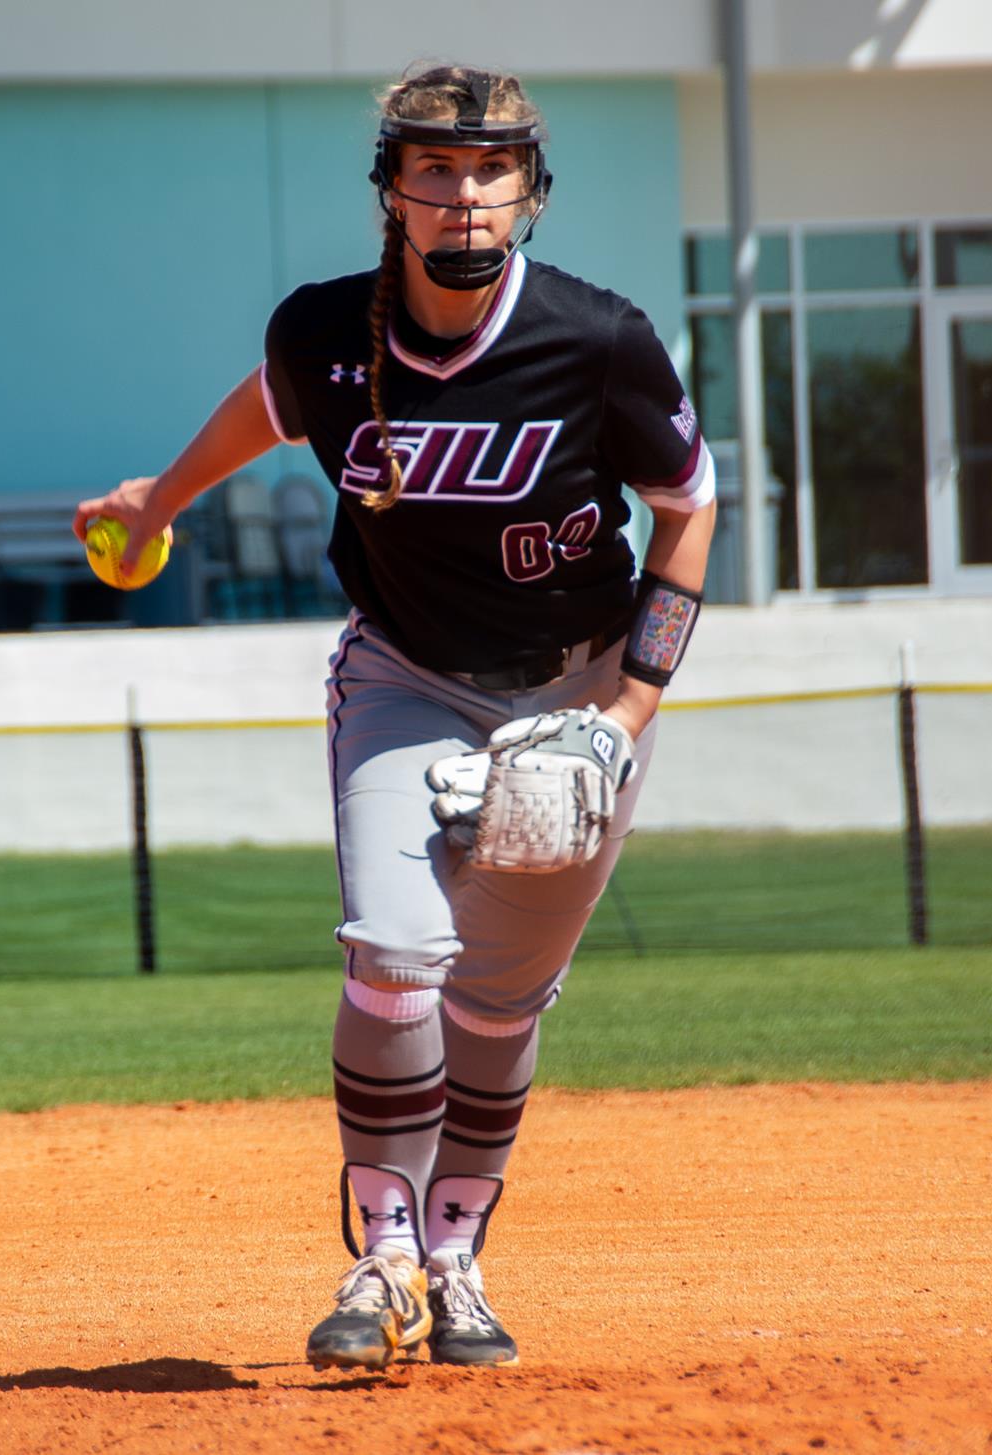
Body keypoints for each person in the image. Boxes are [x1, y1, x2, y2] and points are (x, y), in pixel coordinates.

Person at [73, 61, 715, 1370]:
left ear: (531, 191)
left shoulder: (597, 340)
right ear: (392, 193)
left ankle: (459, 1255)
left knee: (497, 1006)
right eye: (435, 169)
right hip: (407, 675)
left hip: (578, 687)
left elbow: (690, 504)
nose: (464, 196)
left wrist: (629, 712)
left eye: (491, 171)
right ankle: (381, 1259)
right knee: (391, 954)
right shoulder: (327, 333)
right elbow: (266, 408)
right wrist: (161, 502)